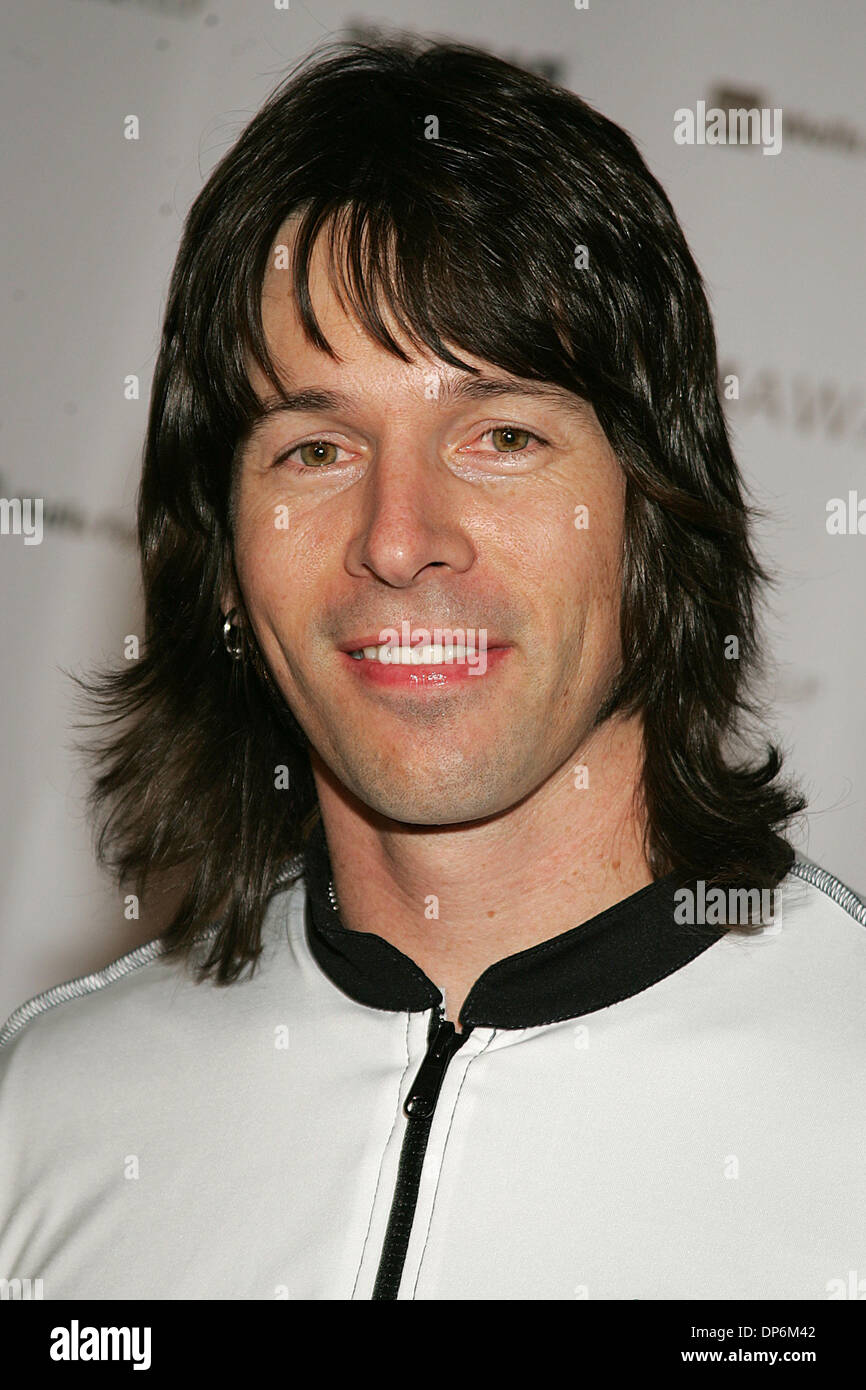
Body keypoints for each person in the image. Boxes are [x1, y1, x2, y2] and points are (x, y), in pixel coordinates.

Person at [1, 34, 863, 1302]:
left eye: (499, 434)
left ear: (651, 507)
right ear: (221, 551)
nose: (399, 540)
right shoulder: (47, 1118)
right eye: (314, 448)